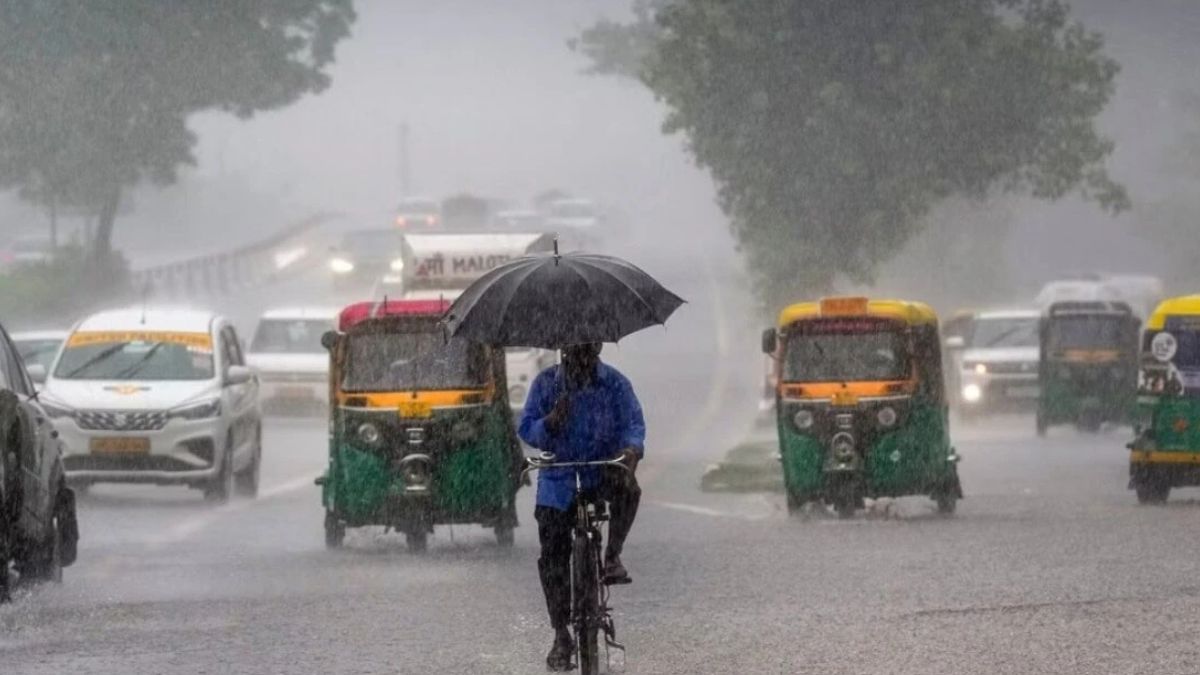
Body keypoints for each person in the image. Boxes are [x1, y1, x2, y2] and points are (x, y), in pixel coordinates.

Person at [518, 342, 645, 672]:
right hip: (558, 478)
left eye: (587, 351)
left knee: (629, 490)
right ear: (563, 351)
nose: (580, 359)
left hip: (601, 469)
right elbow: (527, 427)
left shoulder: (615, 383)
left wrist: (632, 449)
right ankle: (561, 633)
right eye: (574, 352)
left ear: (598, 347)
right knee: (552, 558)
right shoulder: (546, 384)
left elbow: (634, 422)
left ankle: (612, 556)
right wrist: (549, 423)